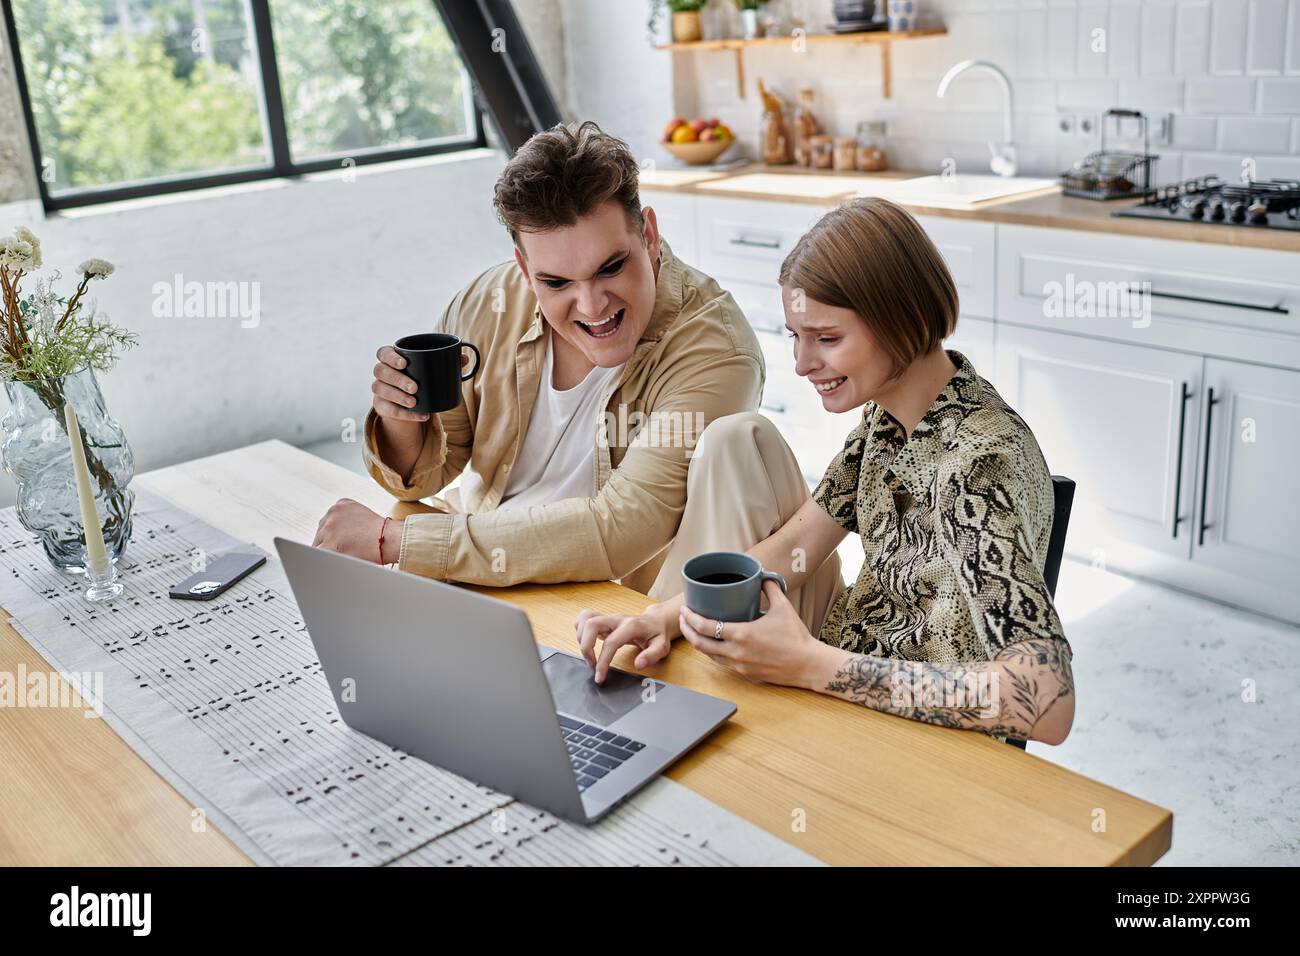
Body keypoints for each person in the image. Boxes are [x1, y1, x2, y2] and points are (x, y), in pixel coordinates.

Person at [575, 198, 1075, 745]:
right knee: (738, 438)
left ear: (901, 318)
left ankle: (643, 727)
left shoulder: (980, 462)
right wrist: (663, 618)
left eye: (827, 338)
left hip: (920, 737)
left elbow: (1048, 703)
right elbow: (799, 544)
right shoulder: (888, 419)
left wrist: (811, 664)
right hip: (846, 671)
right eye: (796, 335)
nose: (802, 363)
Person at [312, 121, 767, 596]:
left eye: (611, 267)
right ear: (525, 268)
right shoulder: (487, 303)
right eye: (556, 283)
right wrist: (403, 420)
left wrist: (397, 542)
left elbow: (623, 529)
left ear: (648, 235)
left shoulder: (715, 350)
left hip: (610, 611)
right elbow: (422, 480)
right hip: (477, 576)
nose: (592, 306)